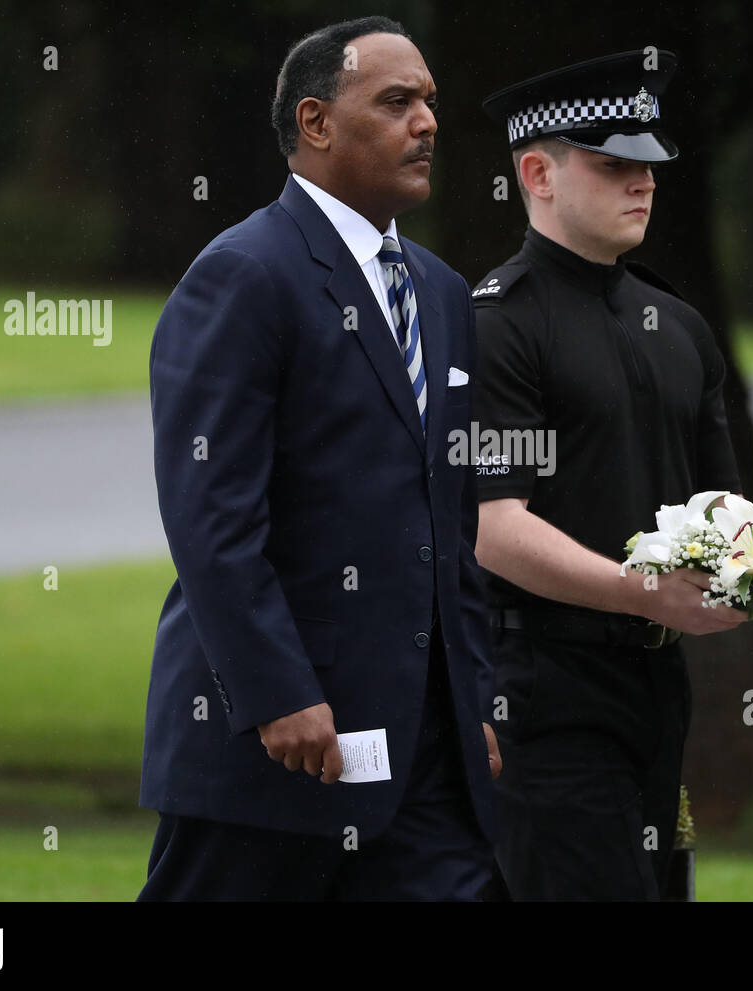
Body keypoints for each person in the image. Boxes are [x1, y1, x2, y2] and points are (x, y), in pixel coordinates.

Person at [471, 50, 753, 901]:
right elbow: (495, 529)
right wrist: (641, 592)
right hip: (544, 692)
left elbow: (723, 510)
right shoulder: (498, 325)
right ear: (538, 173)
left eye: (650, 164)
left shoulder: (681, 327)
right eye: (614, 163)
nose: (644, 182)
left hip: (656, 693)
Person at [137, 16, 499, 901]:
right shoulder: (244, 274)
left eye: (431, 103)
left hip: (427, 756)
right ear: (315, 123)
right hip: (278, 751)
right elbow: (211, 514)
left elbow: (451, 523)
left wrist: (480, 696)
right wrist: (274, 692)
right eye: (397, 101)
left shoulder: (446, 293)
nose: (428, 123)